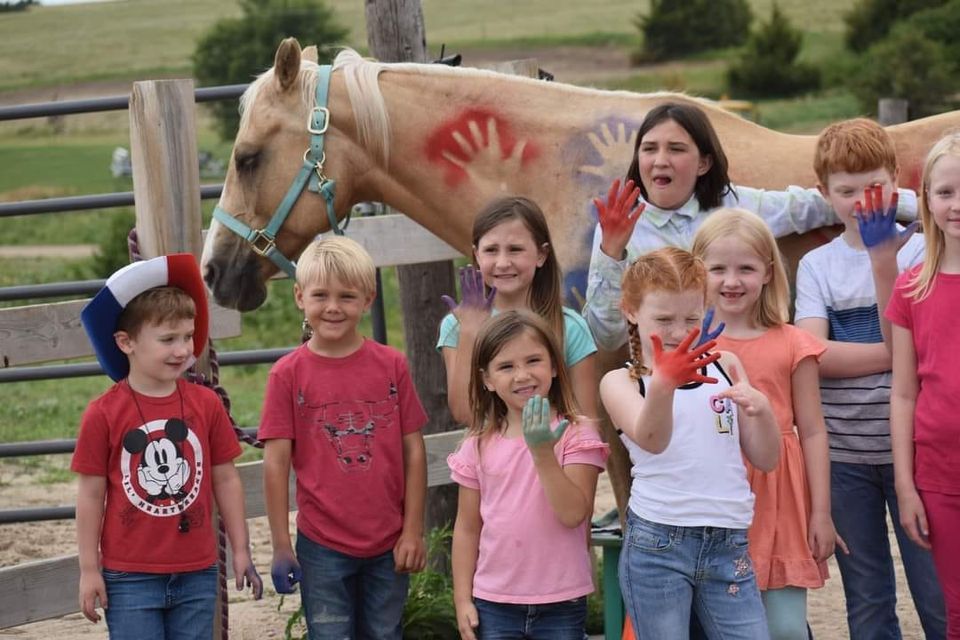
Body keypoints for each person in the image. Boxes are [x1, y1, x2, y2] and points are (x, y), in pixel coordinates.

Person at [582, 102, 917, 351]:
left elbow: (813, 204)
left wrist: (923, 206)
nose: (660, 160)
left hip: (739, 361)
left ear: (704, 163)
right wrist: (611, 252)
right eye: (649, 149)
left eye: (676, 149)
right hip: (663, 373)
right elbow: (606, 337)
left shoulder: (735, 204)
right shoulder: (622, 227)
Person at [793, 118, 946, 640]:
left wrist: (885, 266)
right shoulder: (817, 265)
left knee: (937, 593)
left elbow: (930, 347)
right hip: (844, 456)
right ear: (823, 193)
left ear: (897, 179)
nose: (862, 202)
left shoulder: (923, 251)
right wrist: (897, 355)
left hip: (917, 451)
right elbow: (813, 356)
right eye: (846, 191)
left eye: (875, 187)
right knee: (867, 600)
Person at [72, 253, 262, 639]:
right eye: (167, 339)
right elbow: (91, 495)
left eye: (188, 336)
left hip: (198, 571)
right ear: (125, 342)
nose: (183, 350)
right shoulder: (103, 414)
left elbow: (226, 479)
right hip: (129, 576)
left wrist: (241, 549)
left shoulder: (206, 404)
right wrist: (89, 569)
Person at [600, 246, 780, 639]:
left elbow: (766, 458)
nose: (680, 332)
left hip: (728, 540)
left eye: (692, 318)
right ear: (630, 310)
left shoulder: (726, 366)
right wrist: (663, 384)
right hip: (658, 542)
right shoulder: (622, 382)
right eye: (664, 319)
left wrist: (764, 411)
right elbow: (653, 440)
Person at [259, 236, 428, 640]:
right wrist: (281, 544)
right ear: (299, 297)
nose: (333, 307)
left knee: (385, 633)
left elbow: (414, 451)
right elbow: (275, 464)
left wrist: (412, 530)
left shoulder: (392, 365)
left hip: (389, 539)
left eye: (347, 296)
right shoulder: (287, 375)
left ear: (368, 299)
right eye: (320, 295)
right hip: (322, 544)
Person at [689, 209, 840, 639]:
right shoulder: (691, 345)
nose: (731, 281)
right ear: (697, 271)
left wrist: (821, 513)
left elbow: (813, 430)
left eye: (746, 269)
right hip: (715, 495)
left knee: (785, 627)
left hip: (780, 497)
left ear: (768, 272)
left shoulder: (794, 343)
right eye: (718, 268)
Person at [449, 310, 608, 640]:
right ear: (487, 379)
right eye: (506, 366)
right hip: (494, 602)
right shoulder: (477, 446)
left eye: (533, 360)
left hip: (561, 601)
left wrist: (542, 452)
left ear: (554, 366)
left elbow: (573, 514)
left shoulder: (577, 434)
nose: (522, 375)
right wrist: (462, 598)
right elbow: (467, 528)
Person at [870, 132, 960, 639]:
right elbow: (903, 393)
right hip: (940, 477)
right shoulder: (910, 288)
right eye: (946, 192)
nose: (957, 204)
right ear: (926, 199)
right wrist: (906, 486)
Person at [438, 196, 598, 423]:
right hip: (491, 446)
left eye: (515, 249)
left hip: (558, 445)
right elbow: (465, 414)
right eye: (491, 250)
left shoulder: (570, 327)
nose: (503, 262)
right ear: (476, 255)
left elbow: (587, 421)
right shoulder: (456, 325)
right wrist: (470, 333)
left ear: (541, 255)